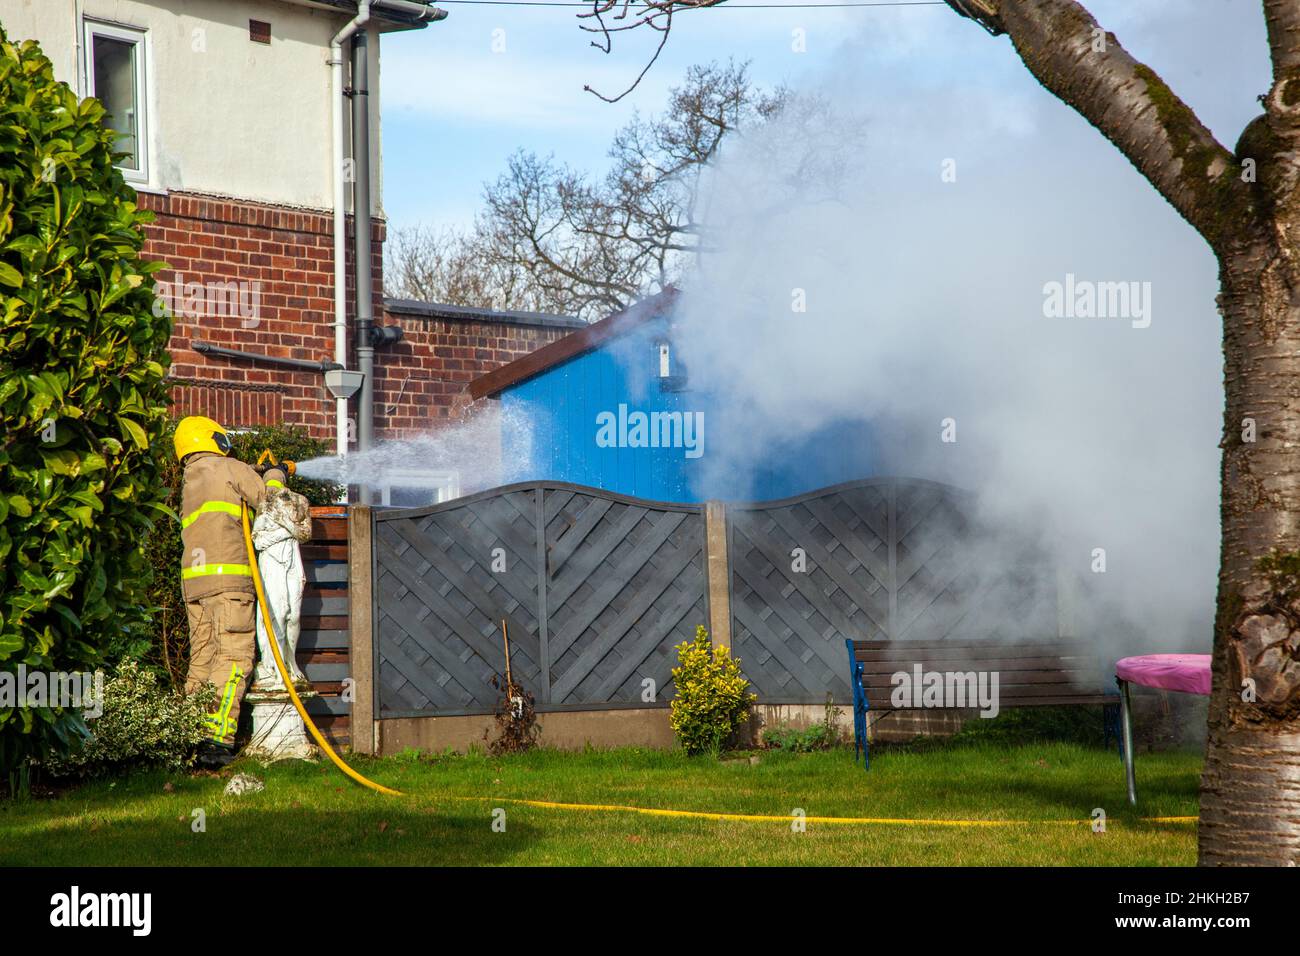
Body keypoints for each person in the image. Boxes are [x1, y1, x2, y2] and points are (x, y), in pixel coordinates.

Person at [173, 416, 288, 768]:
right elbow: (273, 505)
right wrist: (275, 474)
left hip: (195, 587)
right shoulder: (231, 468)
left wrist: (250, 469)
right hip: (230, 586)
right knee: (233, 659)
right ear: (214, 439)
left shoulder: (192, 480)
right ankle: (217, 743)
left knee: (203, 662)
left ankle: (186, 736)